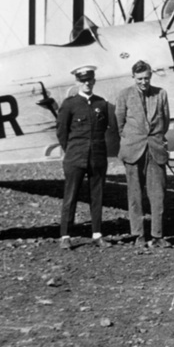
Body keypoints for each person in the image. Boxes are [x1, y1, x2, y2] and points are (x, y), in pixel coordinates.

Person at [115, 60, 172, 248]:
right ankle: (138, 234)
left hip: (155, 149)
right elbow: (120, 123)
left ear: (151, 76)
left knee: (158, 195)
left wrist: (156, 139)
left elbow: (165, 119)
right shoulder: (124, 95)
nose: (143, 82)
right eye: (139, 79)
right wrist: (132, 139)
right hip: (133, 149)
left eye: (146, 78)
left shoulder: (161, 93)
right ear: (133, 77)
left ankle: (158, 235)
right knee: (135, 194)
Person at [56, 64, 112, 250]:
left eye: (89, 80)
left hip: (97, 157)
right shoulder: (69, 104)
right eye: (82, 80)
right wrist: (72, 150)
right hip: (75, 158)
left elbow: (103, 128)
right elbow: (62, 133)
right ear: (77, 82)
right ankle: (65, 235)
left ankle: (97, 234)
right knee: (70, 196)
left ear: (94, 81)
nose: (86, 83)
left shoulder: (101, 103)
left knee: (97, 195)